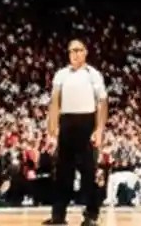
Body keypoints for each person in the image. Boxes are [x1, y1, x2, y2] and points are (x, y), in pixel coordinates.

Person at [46, 40, 108, 226]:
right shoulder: (61, 75)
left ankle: (91, 215)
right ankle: (58, 216)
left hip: (87, 123)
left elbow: (102, 103)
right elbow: (54, 103)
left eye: (79, 50)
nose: (75, 54)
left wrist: (99, 129)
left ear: (86, 52)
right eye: (72, 50)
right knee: (63, 173)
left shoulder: (93, 75)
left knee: (89, 171)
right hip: (66, 123)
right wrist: (51, 131)